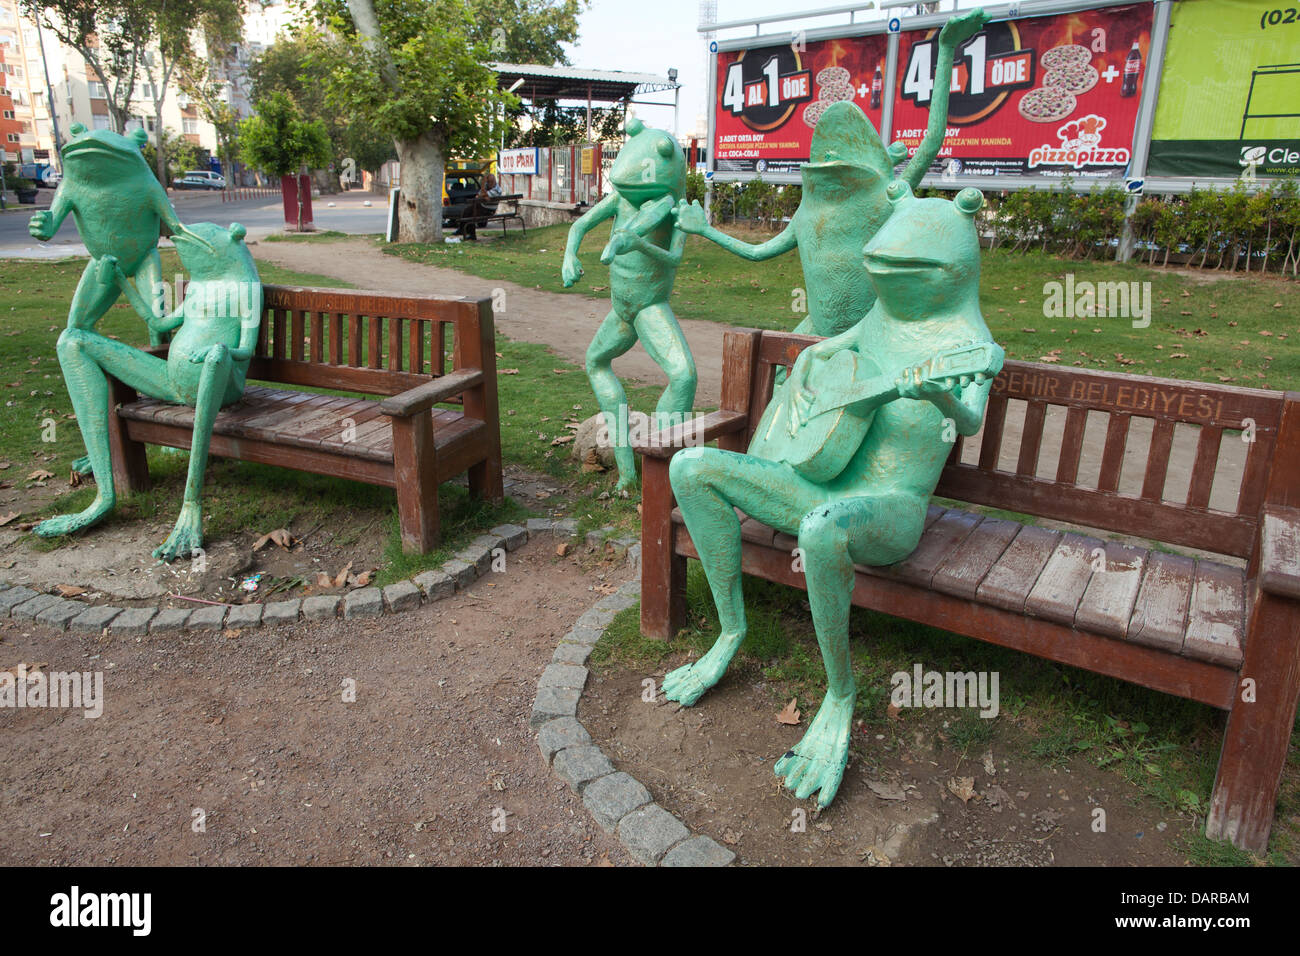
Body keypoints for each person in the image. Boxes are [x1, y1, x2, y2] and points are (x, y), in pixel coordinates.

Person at [456, 174, 502, 240]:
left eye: (492, 182)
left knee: (470, 215)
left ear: (494, 181)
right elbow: (478, 195)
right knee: (467, 210)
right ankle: (462, 229)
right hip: (482, 207)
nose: (490, 183)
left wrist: (483, 186)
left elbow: (483, 195)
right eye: (489, 182)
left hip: (488, 210)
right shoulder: (487, 187)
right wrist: (483, 195)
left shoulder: (497, 190)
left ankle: (470, 234)